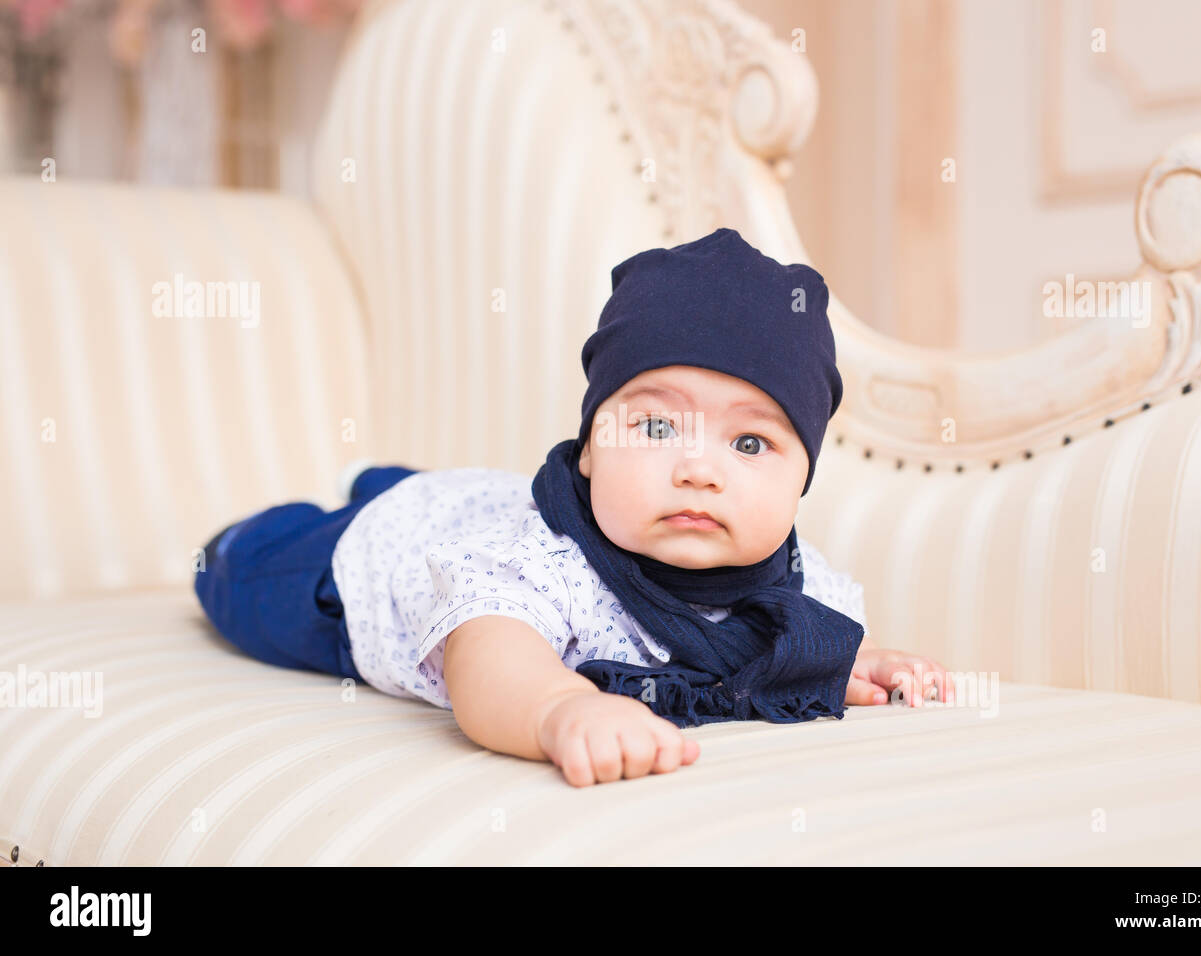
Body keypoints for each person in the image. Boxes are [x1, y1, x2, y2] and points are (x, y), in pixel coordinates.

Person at [194, 227, 954, 789]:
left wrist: (863, 658)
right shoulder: (544, 564)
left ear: (803, 479)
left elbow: (808, 646)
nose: (698, 469)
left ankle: (385, 475)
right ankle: (270, 529)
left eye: (750, 445)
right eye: (656, 426)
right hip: (363, 556)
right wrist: (559, 708)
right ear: (588, 447)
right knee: (245, 570)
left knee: (438, 492)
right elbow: (486, 663)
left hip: (465, 503)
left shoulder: (799, 587)